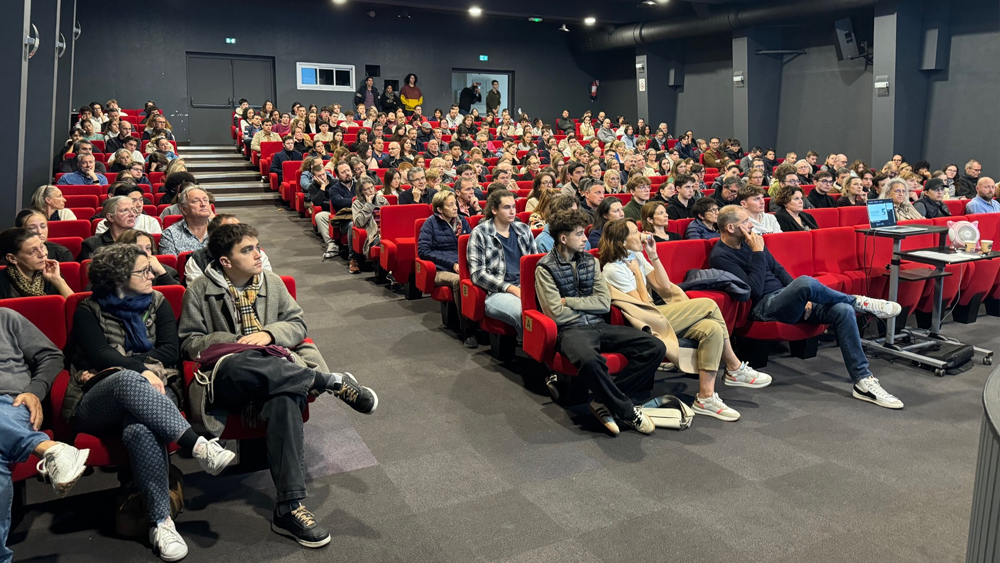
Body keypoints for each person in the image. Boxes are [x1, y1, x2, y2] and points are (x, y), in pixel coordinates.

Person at [179, 224, 378, 548]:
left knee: (286, 396)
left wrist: (269, 335)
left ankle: (289, 507)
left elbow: (298, 324)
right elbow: (190, 342)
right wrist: (240, 343)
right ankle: (327, 382)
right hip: (229, 375)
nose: (259, 254)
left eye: (258, 246)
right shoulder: (199, 289)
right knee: (245, 361)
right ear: (225, 261)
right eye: (247, 249)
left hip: (278, 369)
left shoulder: (272, 282)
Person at [66, 244, 234, 560]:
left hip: (157, 390)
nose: (151, 274)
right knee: (128, 379)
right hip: (99, 399)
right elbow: (100, 356)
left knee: (139, 431)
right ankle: (198, 445)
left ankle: (161, 522)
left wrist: (134, 364)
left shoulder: (157, 302)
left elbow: (171, 351)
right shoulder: (88, 310)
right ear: (117, 277)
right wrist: (142, 368)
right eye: (143, 270)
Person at [710, 206, 905, 409]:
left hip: (787, 300)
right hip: (763, 307)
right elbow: (754, 291)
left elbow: (778, 270)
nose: (751, 225)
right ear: (731, 227)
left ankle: (863, 381)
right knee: (805, 282)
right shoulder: (721, 255)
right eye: (745, 222)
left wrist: (801, 296)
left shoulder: (752, 241)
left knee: (842, 310)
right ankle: (857, 301)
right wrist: (758, 253)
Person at [601, 218, 770, 422]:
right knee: (708, 304)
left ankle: (706, 398)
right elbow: (642, 306)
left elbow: (663, 285)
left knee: (712, 328)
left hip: (658, 311)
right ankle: (734, 367)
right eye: (634, 233)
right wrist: (637, 273)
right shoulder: (613, 269)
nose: (641, 235)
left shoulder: (635, 254)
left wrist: (653, 255)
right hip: (645, 321)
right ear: (621, 242)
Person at [539, 210, 665, 435]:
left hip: (599, 324)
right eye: (579, 234)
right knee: (589, 360)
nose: (586, 239)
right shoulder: (545, 267)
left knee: (654, 347)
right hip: (570, 330)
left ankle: (604, 400)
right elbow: (555, 313)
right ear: (563, 239)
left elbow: (604, 304)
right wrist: (583, 305)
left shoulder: (591, 260)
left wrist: (569, 300)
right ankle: (625, 410)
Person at [0, 309, 91, 563]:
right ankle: (49, 448)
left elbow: (51, 356)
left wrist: (34, 391)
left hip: (10, 403)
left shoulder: (6, 317)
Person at [468, 189, 536, 337]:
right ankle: (535, 354)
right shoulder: (480, 233)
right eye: (506, 207)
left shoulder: (524, 230)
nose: (512, 211)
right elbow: (478, 275)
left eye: (513, 206)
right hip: (498, 292)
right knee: (525, 313)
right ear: (494, 210)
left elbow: (535, 264)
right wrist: (511, 288)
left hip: (527, 287)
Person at [418, 190, 477, 348]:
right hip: (440, 269)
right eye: (450, 205)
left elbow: (470, 245)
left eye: (455, 204)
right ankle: (467, 329)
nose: (455, 208)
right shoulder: (430, 223)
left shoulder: (462, 221)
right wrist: (451, 264)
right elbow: (424, 251)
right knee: (459, 282)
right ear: (439, 209)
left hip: (462, 265)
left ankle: (481, 322)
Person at [0, 228, 74, 299]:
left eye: (42, 247)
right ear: (12, 258)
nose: (42, 254)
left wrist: (58, 280)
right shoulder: (2, 283)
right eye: (33, 251)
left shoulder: (51, 275)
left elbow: (75, 308)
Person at [350, 177, 389, 274]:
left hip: (387, 232)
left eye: (372, 187)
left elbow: (391, 217)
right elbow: (359, 223)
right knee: (382, 240)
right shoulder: (357, 204)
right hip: (373, 235)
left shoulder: (382, 200)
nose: (371, 190)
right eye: (367, 189)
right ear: (362, 192)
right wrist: (368, 205)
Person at [116, 229, 181, 286]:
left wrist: (162, 272)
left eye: (148, 248)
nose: (145, 253)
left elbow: (177, 295)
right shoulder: (114, 273)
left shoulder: (168, 271)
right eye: (138, 248)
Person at [159, 187, 212, 256]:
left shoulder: (221, 228)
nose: (203, 204)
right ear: (183, 209)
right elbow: (168, 266)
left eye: (205, 200)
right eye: (196, 201)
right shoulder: (170, 234)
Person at [97, 187, 161, 235]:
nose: (139, 205)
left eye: (141, 200)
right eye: (134, 200)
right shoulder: (103, 225)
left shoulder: (151, 222)